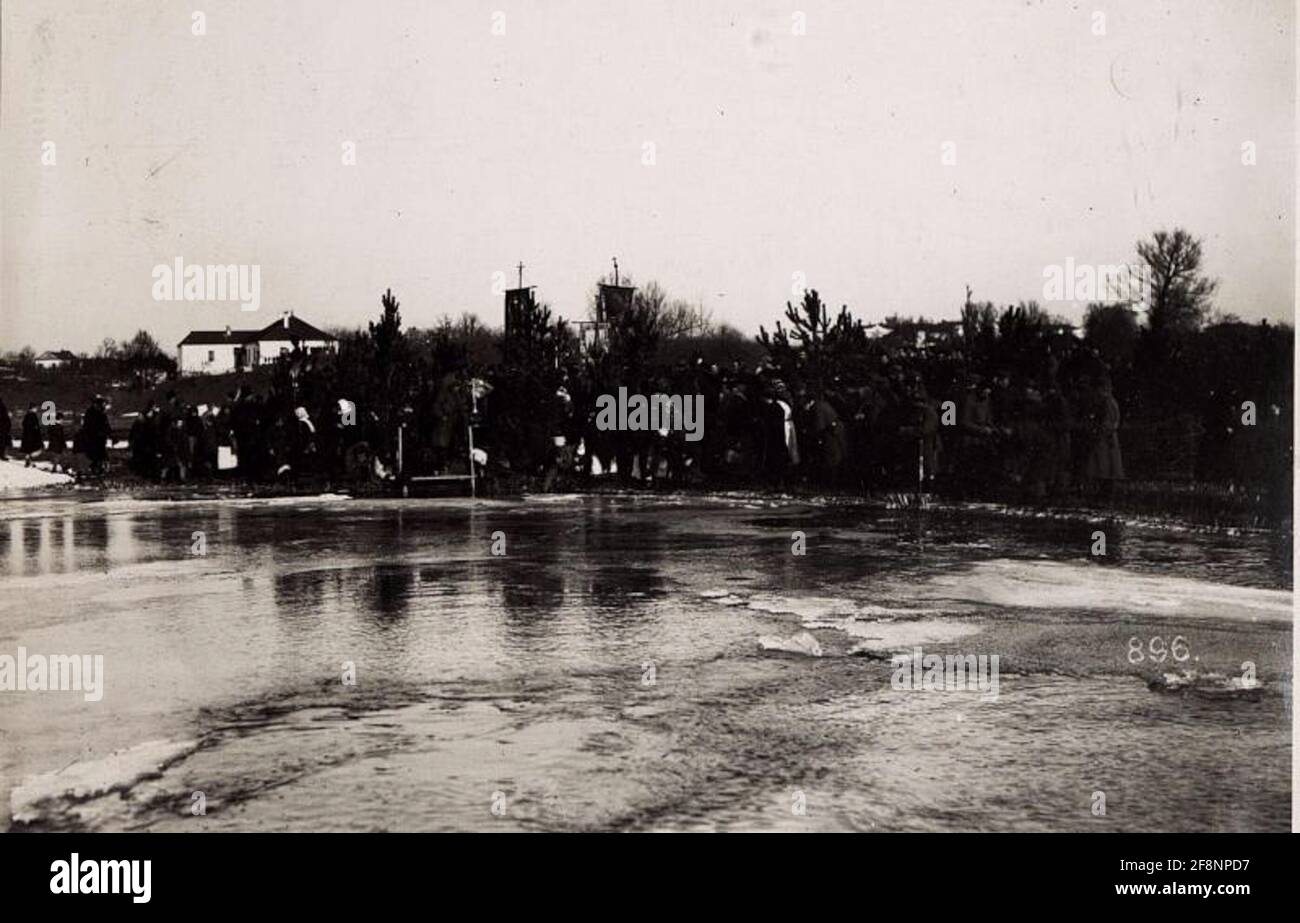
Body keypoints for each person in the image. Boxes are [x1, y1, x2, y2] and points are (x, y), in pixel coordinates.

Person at [1084, 377, 1125, 493]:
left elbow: (1108, 422)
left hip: (1105, 437)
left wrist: (1098, 433)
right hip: (1106, 436)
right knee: (1104, 465)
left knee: (1104, 465)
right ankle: (1105, 490)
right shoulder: (1108, 401)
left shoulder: (1106, 402)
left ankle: (1105, 491)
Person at [80, 396, 112, 475]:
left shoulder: (94, 412)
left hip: (97, 437)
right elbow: (104, 425)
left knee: (98, 453)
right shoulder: (97, 413)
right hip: (95, 437)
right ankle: (98, 467)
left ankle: (98, 467)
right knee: (97, 453)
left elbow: (105, 425)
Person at [0, 396, 11, 460]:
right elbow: (6, 418)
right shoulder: (2, 407)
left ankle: (1, 454)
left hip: (3, 427)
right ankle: (2, 454)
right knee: (2, 442)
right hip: (3, 428)